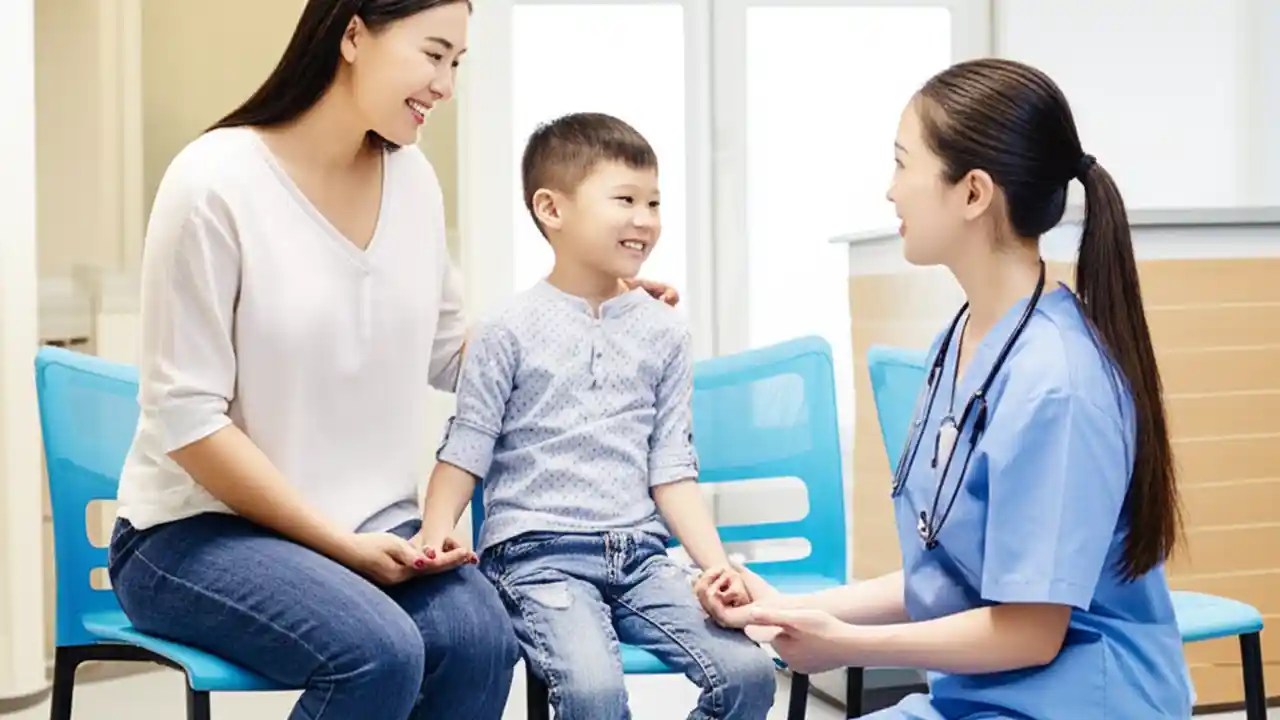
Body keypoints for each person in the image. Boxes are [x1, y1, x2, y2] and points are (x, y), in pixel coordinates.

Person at [106, 3, 677, 719]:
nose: (446, 84)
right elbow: (186, 420)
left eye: (458, 63)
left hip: (372, 525)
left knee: (481, 637)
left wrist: (589, 314)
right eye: (433, 54)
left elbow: (454, 356)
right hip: (196, 535)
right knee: (378, 651)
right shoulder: (213, 182)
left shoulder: (413, 182)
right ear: (352, 35)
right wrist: (340, 546)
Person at [697, 58, 1193, 719]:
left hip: (1082, 700)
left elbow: (1029, 631)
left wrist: (846, 643)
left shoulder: (1057, 385)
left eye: (904, 165)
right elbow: (949, 572)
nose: (890, 191)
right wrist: (788, 606)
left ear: (973, 193)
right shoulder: (960, 343)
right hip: (988, 697)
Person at [417, 111, 778, 720]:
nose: (645, 219)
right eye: (625, 199)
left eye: (655, 202)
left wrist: (716, 565)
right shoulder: (507, 329)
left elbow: (671, 467)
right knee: (594, 696)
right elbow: (466, 445)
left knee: (748, 674)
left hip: (641, 556)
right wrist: (435, 530)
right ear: (552, 210)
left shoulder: (664, 332)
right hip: (536, 556)